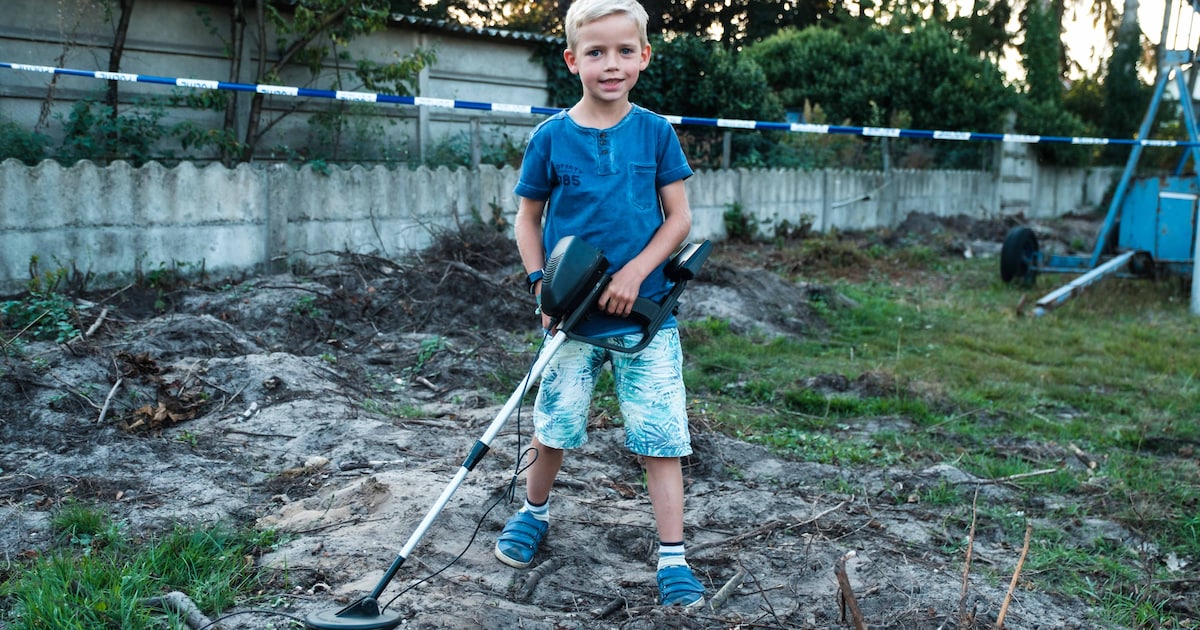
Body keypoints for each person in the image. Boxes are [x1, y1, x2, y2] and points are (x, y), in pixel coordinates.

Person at [493, 0, 705, 609]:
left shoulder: (656, 132)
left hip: (647, 315)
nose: (609, 64)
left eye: (622, 51)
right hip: (573, 316)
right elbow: (527, 218)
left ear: (643, 56)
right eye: (595, 52)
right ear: (572, 60)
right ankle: (534, 513)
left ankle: (672, 558)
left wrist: (639, 271)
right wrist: (540, 282)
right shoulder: (551, 137)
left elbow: (680, 217)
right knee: (554, 423)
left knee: (661, 435)